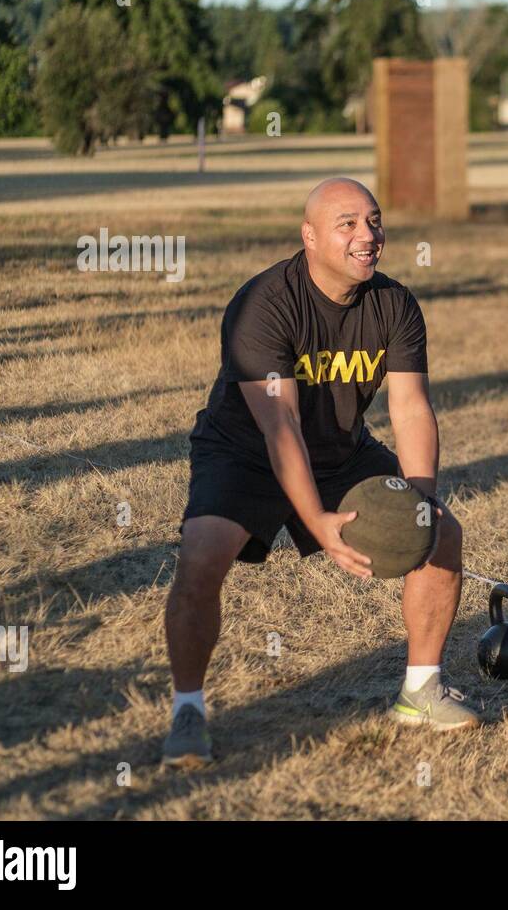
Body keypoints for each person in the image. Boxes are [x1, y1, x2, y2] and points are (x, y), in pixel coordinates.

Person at [163, 177, 479, 768]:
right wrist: (317, 521)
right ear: (309, 237)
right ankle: (188, 709)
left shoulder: (394, 304)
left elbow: (411, 408)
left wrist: (423, 502)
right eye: (349, 224)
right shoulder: (262, 304)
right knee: (202, 554)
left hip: (338, 451)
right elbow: (280, 424)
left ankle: (421, 690)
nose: (368, 235)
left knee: (443, 534)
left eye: (375, 221)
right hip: (246, 450)